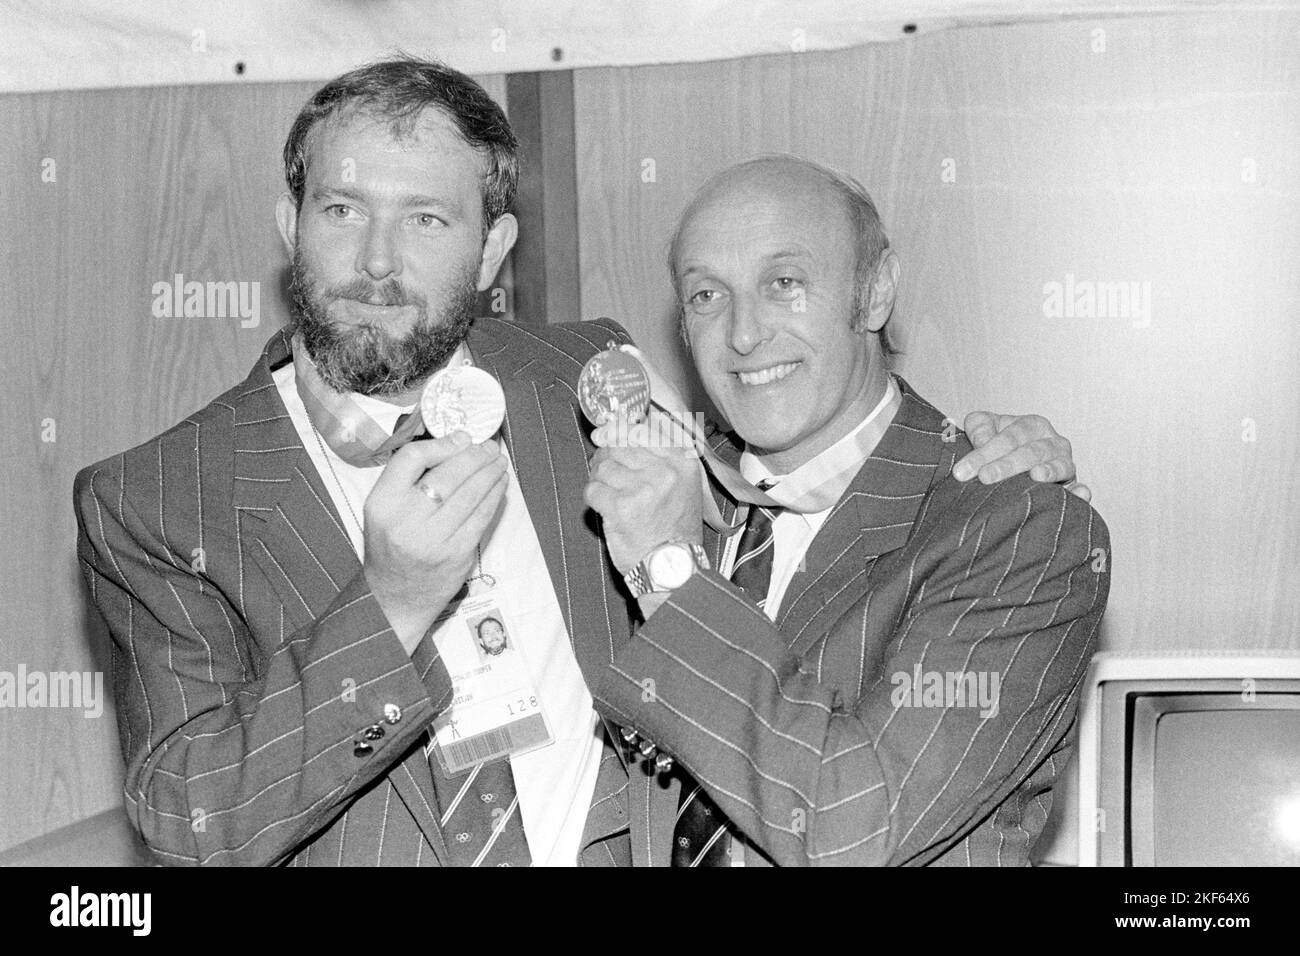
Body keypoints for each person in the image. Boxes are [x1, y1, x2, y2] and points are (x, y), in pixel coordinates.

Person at [74, 57, 1086, 866]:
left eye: (426, 218)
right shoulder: (159, 497)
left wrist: (989, 453)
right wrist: (386, 606)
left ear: (491, 249)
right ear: (290, 227)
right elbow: (193, 824)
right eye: (342, 210)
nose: (377, 258)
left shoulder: (584, 381)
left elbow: (777, 493)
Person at [584, 155, 1110, 866]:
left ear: (875, 294)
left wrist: (670, 574)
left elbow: (855, 827)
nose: (743, 334)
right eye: (707, 295)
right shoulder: (657, 489)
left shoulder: (1021, 530)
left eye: (785, 283)